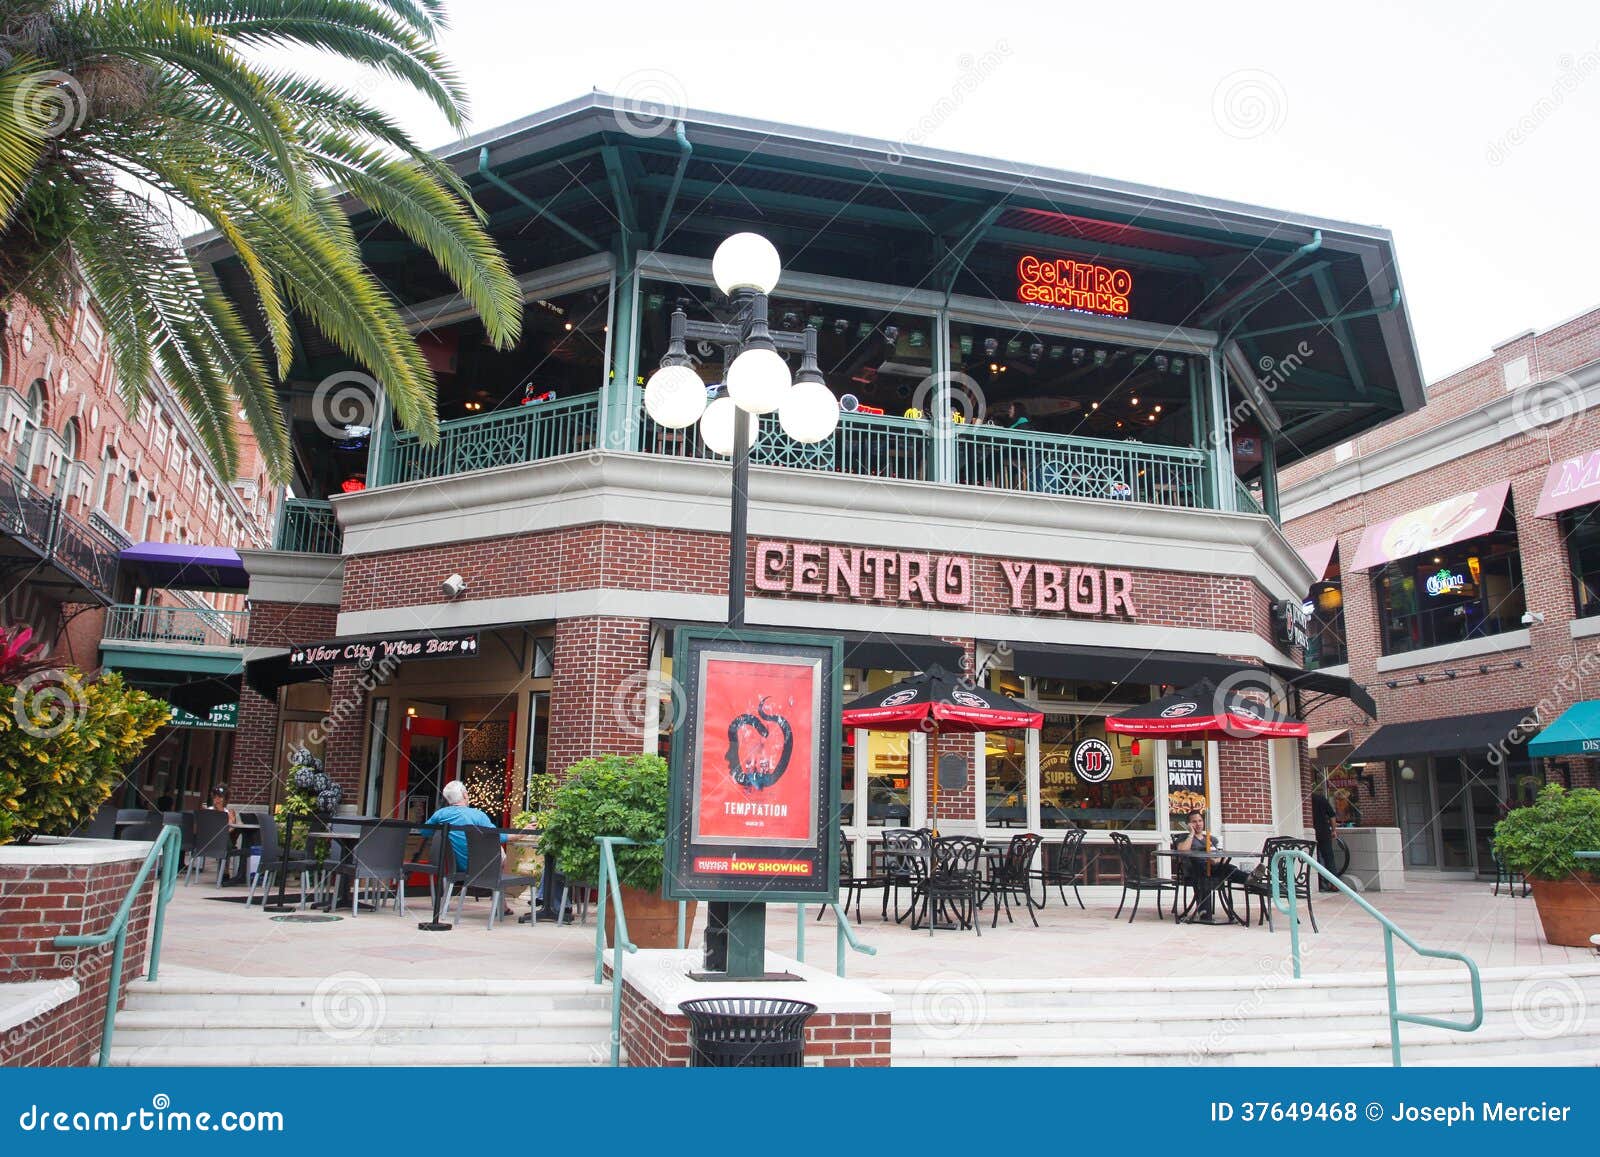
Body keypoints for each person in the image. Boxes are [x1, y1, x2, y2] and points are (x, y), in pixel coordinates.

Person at [419, 780, 506, 907]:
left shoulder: (441, 814)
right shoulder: (478, 815)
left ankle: (500, 900)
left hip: (455, 867)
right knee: (500, 852)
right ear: (465, 795)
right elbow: (498, 837)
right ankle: (499, 900)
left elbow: (425, 832)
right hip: (482, 868)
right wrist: (519, 834)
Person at [1176, 810, 1249, 917]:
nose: (1198, 824)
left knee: (1229, 867)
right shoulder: (1185, 838)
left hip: (1212, 868)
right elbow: (1182, 850)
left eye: (1200, 821)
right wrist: (1191, 833)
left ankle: (1250, 878)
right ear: (1189, 824)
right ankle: (1204, 912)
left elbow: (1220, 856)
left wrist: (1216, 861)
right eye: (1194, 821)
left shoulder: (1210, 839)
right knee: (1203, 872)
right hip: (1194, 870)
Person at [1312, 790, 1338, 891]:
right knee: (1329, 858)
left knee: (1316, 859)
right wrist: (1334, 830)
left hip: (1314, 832)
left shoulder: (1307, 800)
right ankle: (1334, 884)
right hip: (1324, 832)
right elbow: (1332, 815)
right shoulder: (1321, 798)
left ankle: (1320, 884)